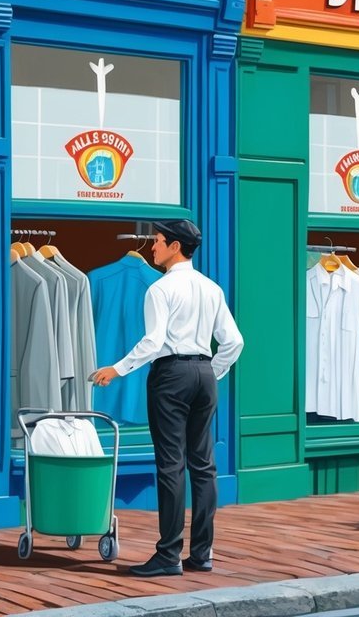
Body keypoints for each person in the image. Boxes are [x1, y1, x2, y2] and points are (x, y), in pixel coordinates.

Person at [91, 220, 245, 575]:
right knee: (203, 467)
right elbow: (235, 341)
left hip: (171, 376)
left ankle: (168, 555)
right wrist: (210, 371)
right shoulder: (212, 289)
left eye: (158, 242)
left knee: (171, 465)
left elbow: (153, 341)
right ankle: (202, 554)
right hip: (205, 374)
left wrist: (117, 369)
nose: (153, 248)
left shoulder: (160, 290)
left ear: (176, 246)